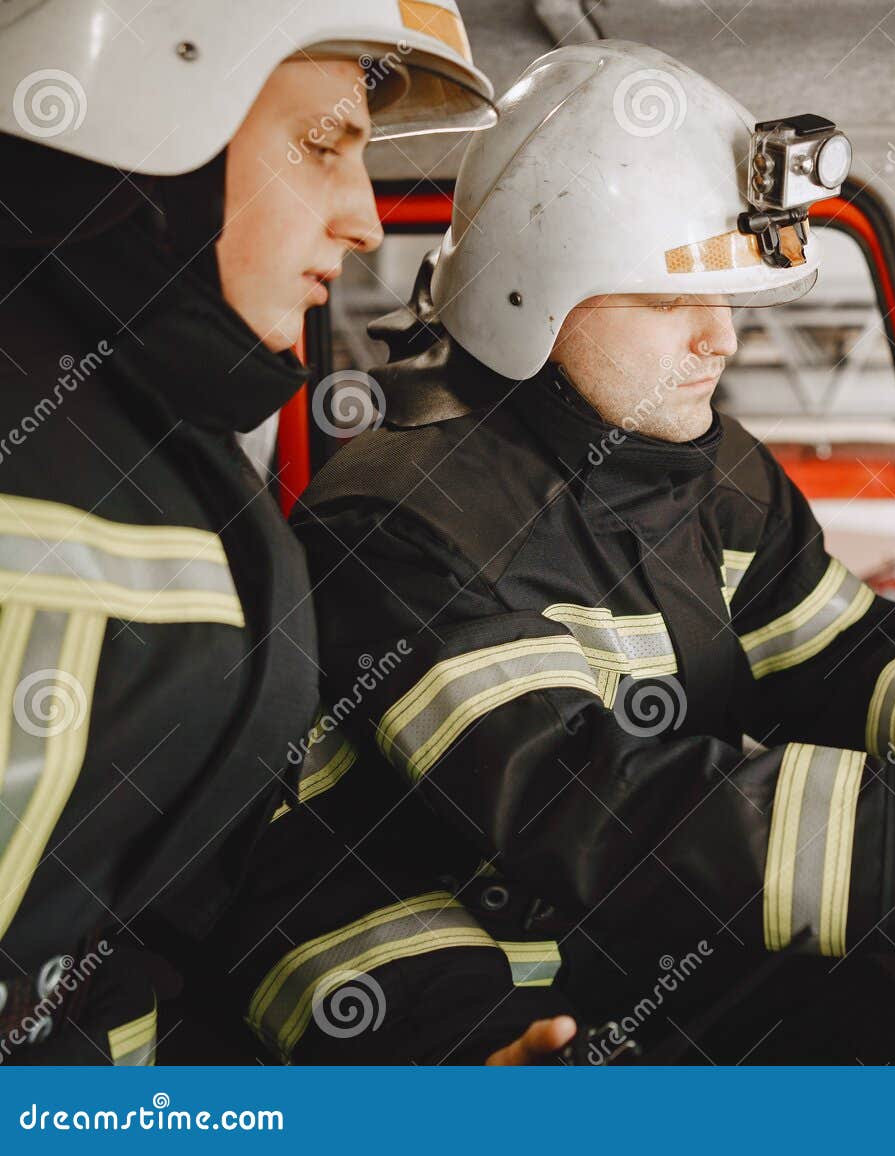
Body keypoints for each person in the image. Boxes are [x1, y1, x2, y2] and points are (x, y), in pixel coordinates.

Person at [278, 40, 895, 1062]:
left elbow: (842, 663)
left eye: (729, 296)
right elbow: (597, 809)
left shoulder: (705, 465)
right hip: (474, 1023)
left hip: (661, 954)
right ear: (525, 295)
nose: (722, 338)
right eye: (668, 298)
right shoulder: (401, 523)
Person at [0, 0, 566, 1065]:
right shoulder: (63, 469)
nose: (363, 220)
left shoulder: (155, 444)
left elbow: (221, 868)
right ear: (142, 121)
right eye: (321, 146)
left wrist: (449, 1053)